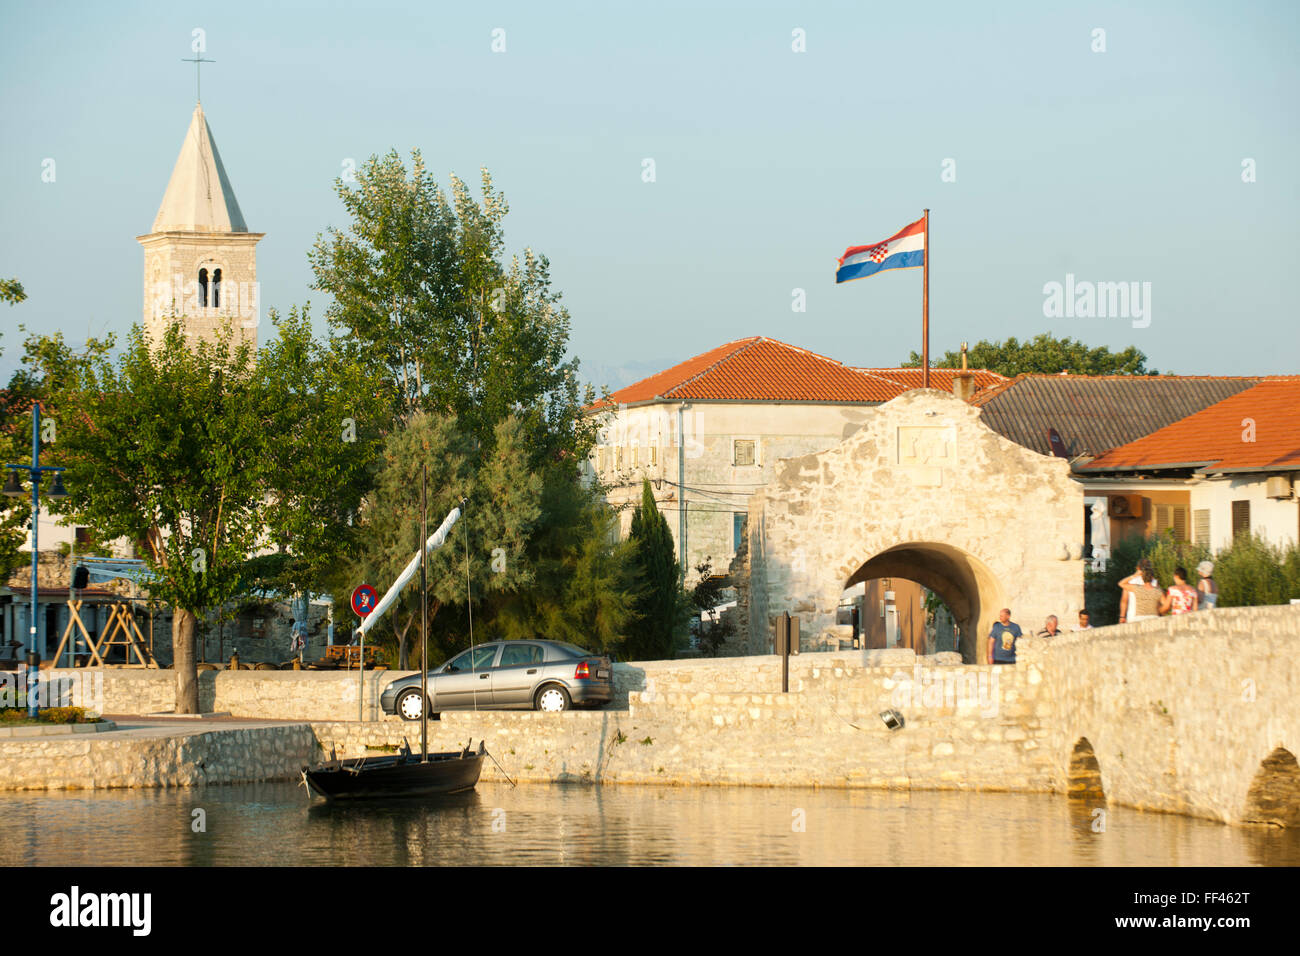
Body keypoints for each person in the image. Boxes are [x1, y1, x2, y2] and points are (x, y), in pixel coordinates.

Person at [1119, 558, 1162, 623]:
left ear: (1137, 568)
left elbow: (1124, 600)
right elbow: (1159, 601)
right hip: (1152, 616)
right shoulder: (1154, 582)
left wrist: (1122, 616)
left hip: (1133, 617)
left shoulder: (1130, 581)